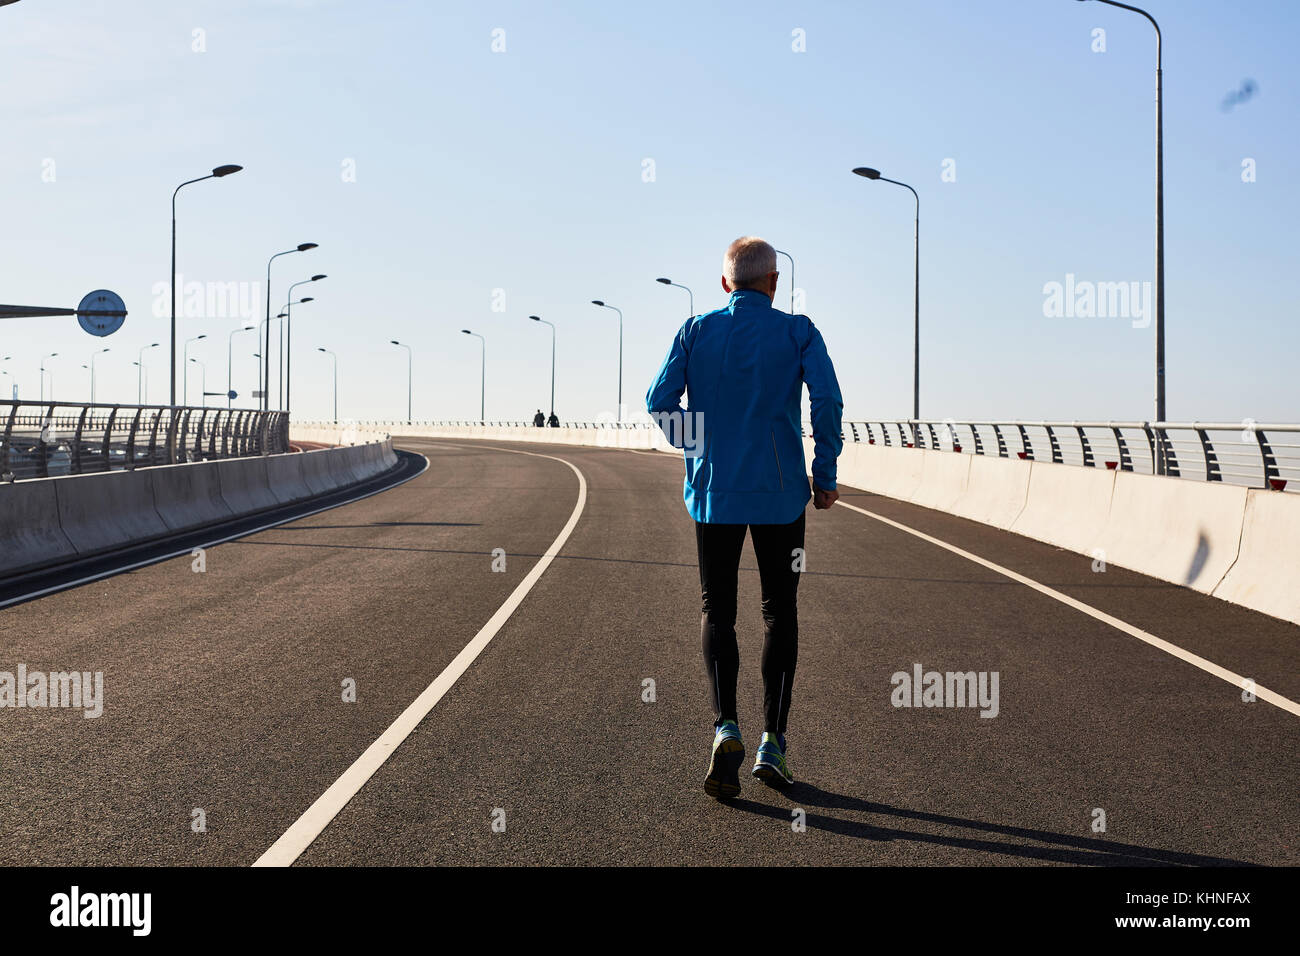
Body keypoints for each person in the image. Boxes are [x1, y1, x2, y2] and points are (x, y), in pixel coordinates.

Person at [646, 236, 843, 800]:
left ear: (725, 284)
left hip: (716, 496)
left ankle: (724, 726)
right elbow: (827, 402)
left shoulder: (696, 331)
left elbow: (660, 401)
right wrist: (824, 474)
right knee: (780, 611)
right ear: (774, 283)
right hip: (780, 497)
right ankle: (772, 743)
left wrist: (700, 449)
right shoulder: (798, 331)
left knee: (718, 610)